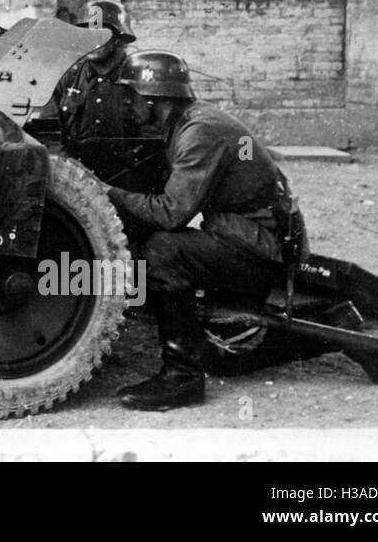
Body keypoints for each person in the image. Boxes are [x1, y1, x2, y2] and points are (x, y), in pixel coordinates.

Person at [105, 50, 298, 411]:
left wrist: (107, 193)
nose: (127, 104)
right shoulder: (187, 123)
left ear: (154, 98)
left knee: (163, 250)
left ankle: (183, 377)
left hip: (261, 250)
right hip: (246, 237)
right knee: (151, 245)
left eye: (131, 95)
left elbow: (170, 214)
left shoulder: (200, 132)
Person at [42, 0, 138, 152]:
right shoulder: (67, 77)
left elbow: (153, 138)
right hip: (75, 170)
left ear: (118, 38)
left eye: (101, 34)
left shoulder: (137, 77)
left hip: (125, 170)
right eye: (86, 34)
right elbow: (48, 131)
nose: (92, 41)